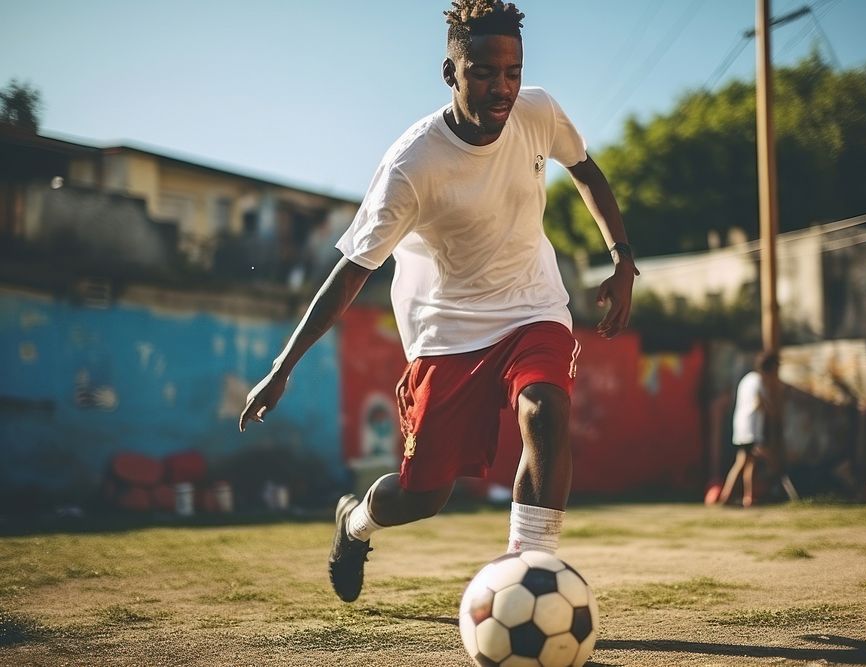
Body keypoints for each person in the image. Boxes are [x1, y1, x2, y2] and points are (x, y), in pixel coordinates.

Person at [238, 0, 637, 604]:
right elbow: (351, 273)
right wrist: (281, 366)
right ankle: (354, 523)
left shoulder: (538, 111)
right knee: (423, 495)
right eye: (484, 72)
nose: (502, 88)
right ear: (450, 72)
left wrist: (623, 258)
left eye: (513, 72)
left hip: (533, 305)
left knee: (545, 410)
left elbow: (585, 168)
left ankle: (529, 576)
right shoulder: (411, 166)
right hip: (446, 331)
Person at [716, 351, 782, 507]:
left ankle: (744, 497)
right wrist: (773, 412)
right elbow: (759, 402)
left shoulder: (747, 379)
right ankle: (731, 496)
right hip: (751, 429)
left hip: (742, 427)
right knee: (749, 461)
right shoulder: (759, 381)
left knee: (746, 462)